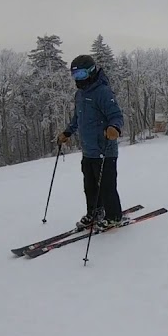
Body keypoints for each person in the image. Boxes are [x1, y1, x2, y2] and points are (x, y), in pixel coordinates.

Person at [56, 54, 124, 230]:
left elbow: (116, 115)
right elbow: (78, 118)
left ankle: (114, 216)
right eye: (75, 76)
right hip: (88, 151)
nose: (78, 79)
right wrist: (67, 132)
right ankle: (95, 212)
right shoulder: (79, 94)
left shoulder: (102, 91)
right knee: (90, 187)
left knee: (107, 186)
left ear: (92, 72)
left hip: (104, 149)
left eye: (82, 75)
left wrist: (114, 128)